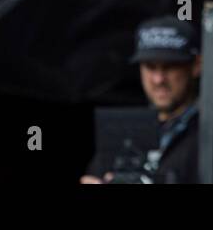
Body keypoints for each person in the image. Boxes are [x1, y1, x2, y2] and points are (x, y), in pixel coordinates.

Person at [81, 17, 202, 184]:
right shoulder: (123, 132)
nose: (159, 79)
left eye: (170, 66)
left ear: (196, 65)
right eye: (150, 67)